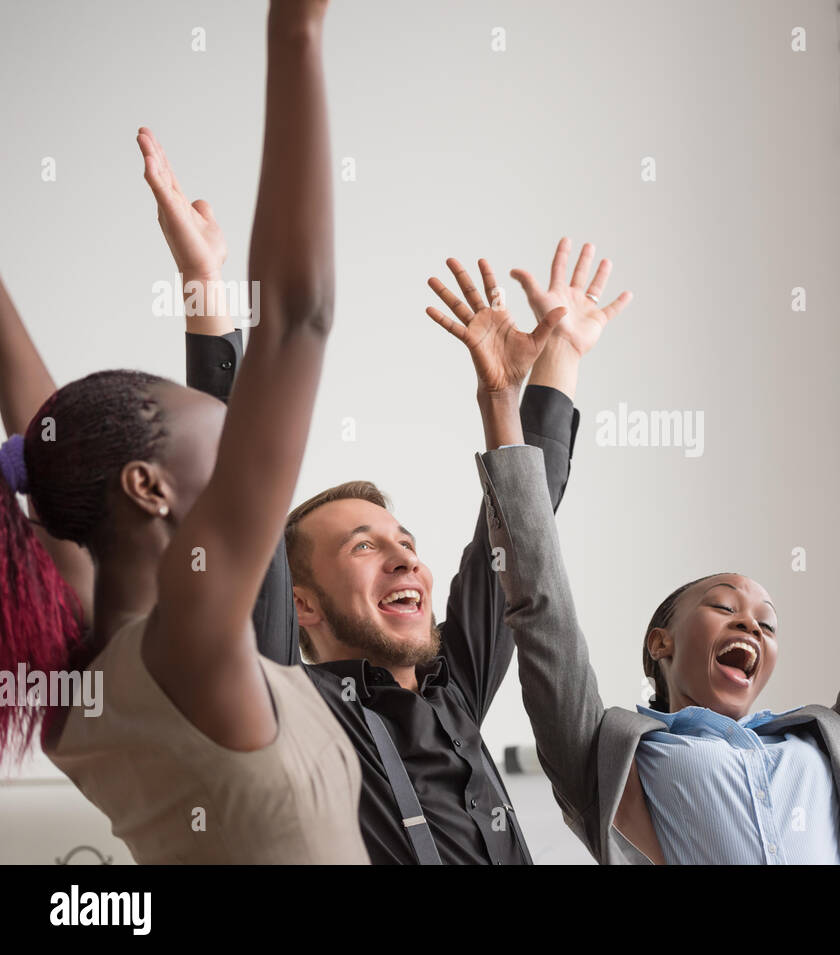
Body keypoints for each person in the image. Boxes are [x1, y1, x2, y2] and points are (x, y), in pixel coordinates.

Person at [135, 130, 630, 864]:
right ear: (300, 603)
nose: (406, 561)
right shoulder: (285, 706)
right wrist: (205, 283)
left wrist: (554, 363)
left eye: (406, 544)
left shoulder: (453, 682)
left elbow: (522, 533)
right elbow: (240, 513)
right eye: (364, 546)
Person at [427, 259, 840, 863]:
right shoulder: (610, 754)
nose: (752, 625)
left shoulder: (827, 744)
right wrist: (501, 400)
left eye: (767, 623)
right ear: (659, 643)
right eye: (725, 606)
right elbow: (542, 610)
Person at [0, 0, 369, 863]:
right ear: (149, 485)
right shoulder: (191, 638)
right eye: (219, 427)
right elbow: (299, 320)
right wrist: (296, 33)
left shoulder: (83, 676)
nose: (243, 437)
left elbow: (47, 431)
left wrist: (206, 290)